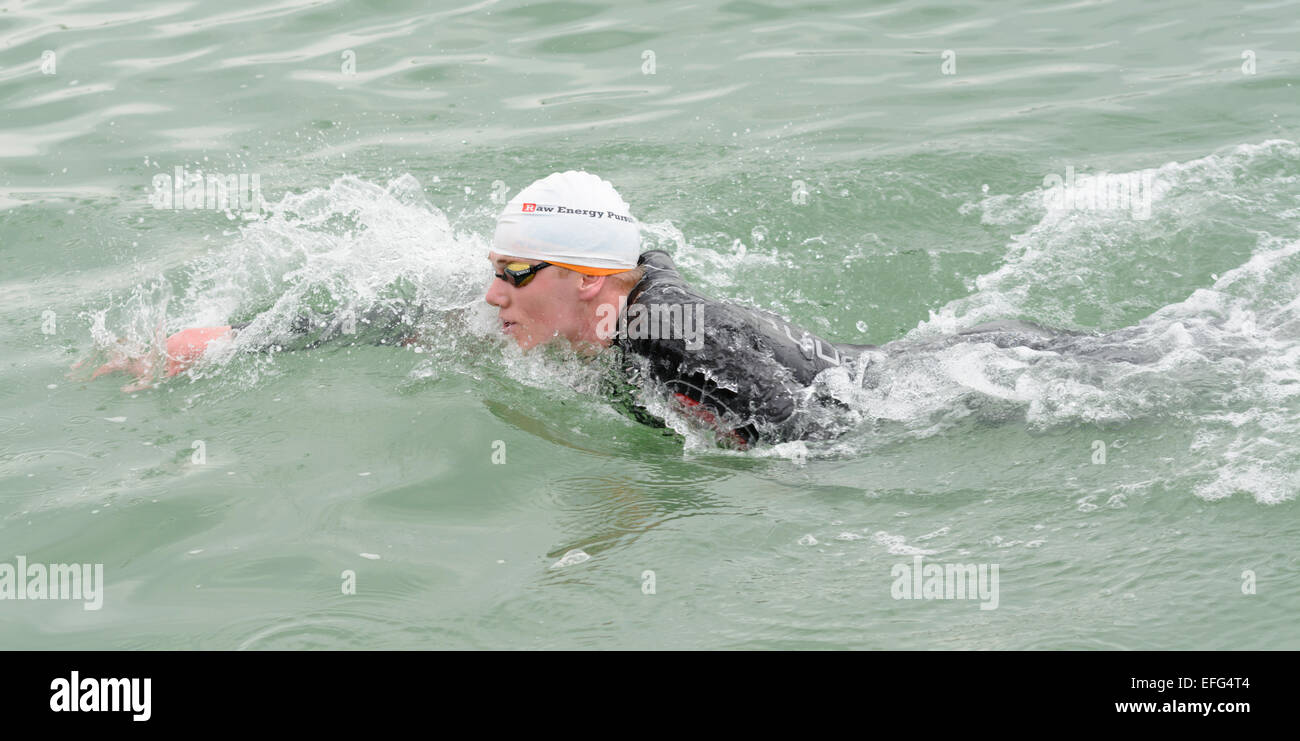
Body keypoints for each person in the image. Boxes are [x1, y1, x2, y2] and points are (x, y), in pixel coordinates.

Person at [86, 171, 1135, 446]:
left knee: (1172, 371)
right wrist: (223, 341)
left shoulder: (682, 344)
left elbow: (815, 448)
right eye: (493, 268)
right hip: (909, 361)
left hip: (969, 381)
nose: (488, 293)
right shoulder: (558, 299)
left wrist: (651, 493)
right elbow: (373, 313)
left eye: (513, 275)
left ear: (589, 283)